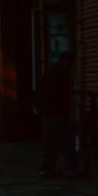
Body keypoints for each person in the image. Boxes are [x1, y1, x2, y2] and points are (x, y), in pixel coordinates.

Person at [36, 49, 75, 177]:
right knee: (63, 140)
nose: (70, 66)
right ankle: (69, 167)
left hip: (51, 112)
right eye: (69, 63)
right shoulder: (58, 75)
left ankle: (48, 168)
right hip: (55, 112)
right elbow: (56, 95)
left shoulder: (52, 73)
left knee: (52, 141)